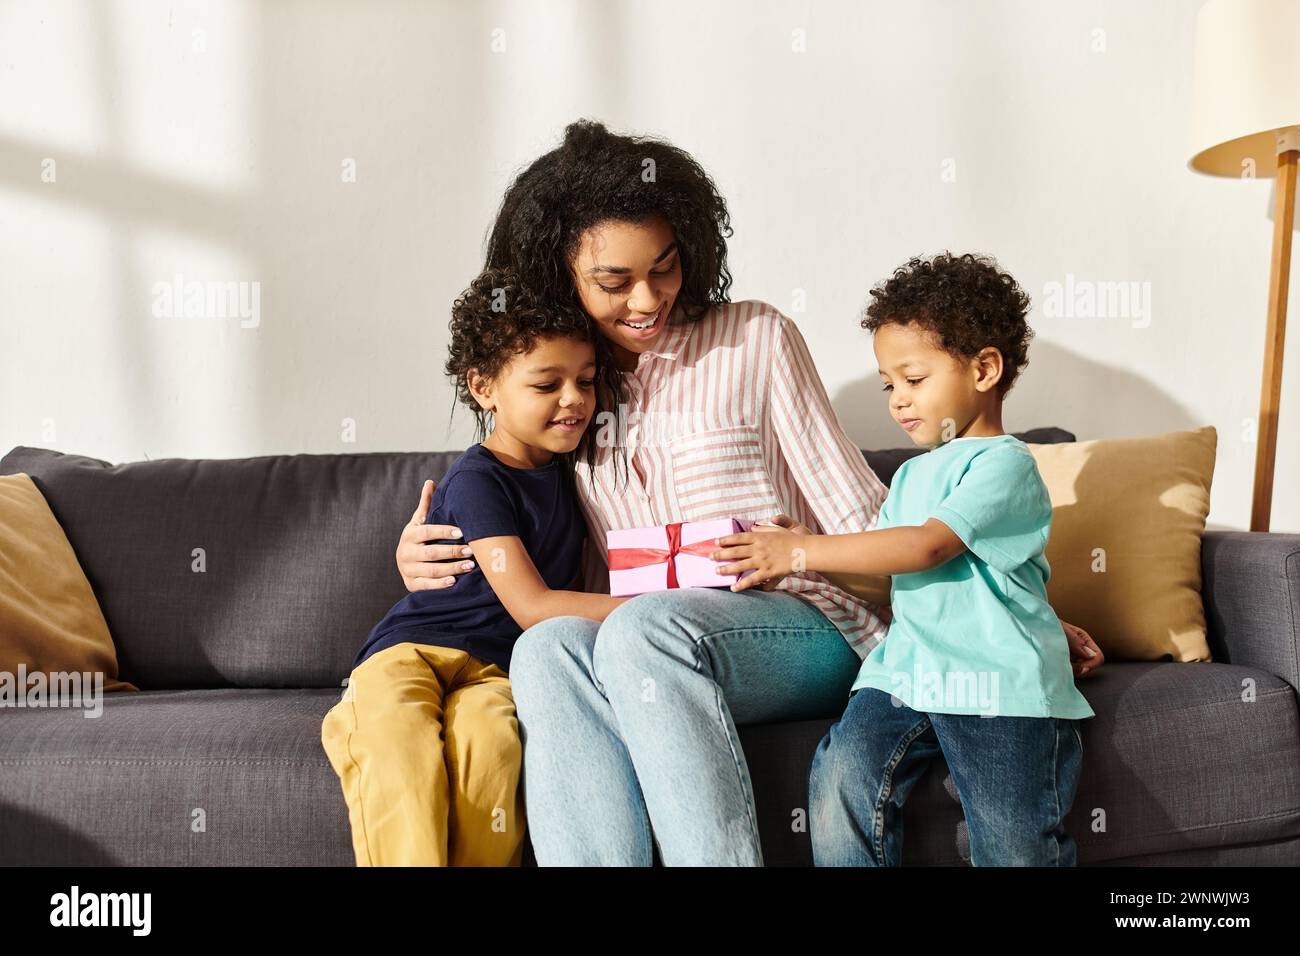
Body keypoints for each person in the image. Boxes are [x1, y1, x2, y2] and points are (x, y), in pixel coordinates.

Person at [394, 120, 1104, 866]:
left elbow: (869, 517)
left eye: (664, 268)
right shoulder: (565, 389)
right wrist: (433, 549)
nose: (646, 299)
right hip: (647, 645)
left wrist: (1025, 612)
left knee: (646, 630)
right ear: (559, 276)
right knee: (545, 650)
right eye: (613, 282)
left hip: (803, 625)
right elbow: (504, 499)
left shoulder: (756, 339)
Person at [713, 252, 1097, 866]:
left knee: (1015, 844)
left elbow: (927, 546)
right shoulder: (912, 475)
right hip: (906, 674)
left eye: (914, 380)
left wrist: (805, 548)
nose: (898, 400)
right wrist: (804, 559)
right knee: (841, 778)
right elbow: (886, 582)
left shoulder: (1004, 463)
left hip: (996, 681)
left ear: (985, 369)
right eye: (890, 384)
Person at [321, 267, 625, 866]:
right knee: (402, 755)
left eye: (586, 381)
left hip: (494, 671)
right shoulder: (480, 477)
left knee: (490, 759)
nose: (574, 400)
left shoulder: (579, 472)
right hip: (413, 653)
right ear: (484, 387)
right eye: (547, 384)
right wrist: (654, 611)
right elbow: (533, 606)